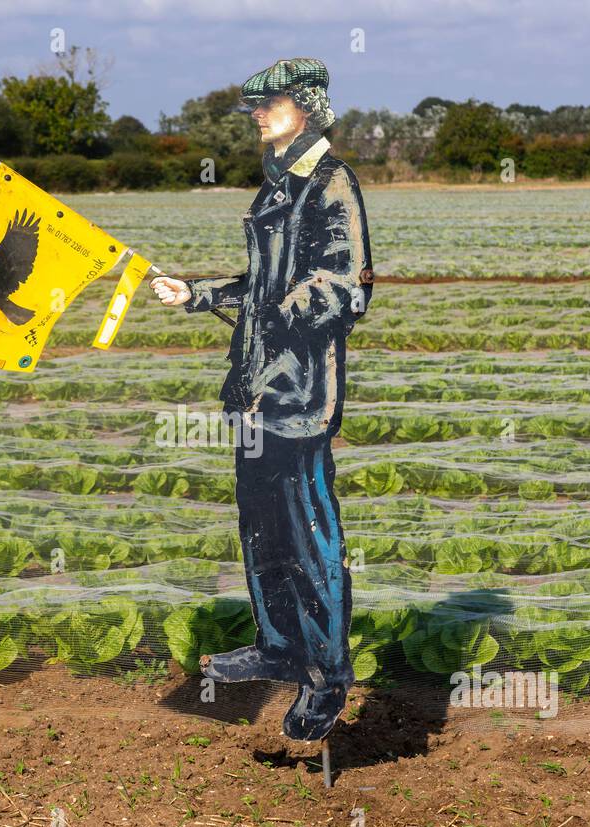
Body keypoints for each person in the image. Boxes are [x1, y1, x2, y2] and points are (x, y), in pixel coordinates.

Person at [151, 57, 374, 742]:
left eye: (269, 102)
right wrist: (199, 295)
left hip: (298, 393)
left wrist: (281, 311)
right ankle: (280, 644)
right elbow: (261, 278)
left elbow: (348, 285)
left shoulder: (329, 183)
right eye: (253, 105)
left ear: (306, 105)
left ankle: (327, 677)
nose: (256, 113)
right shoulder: (279, 182)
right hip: (253, 391)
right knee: (261, 532)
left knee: (309, 539)